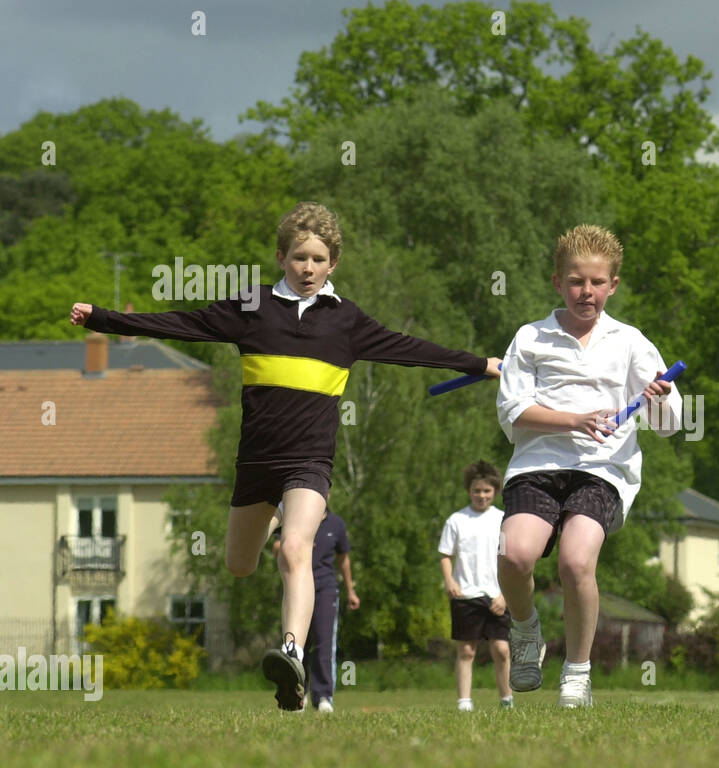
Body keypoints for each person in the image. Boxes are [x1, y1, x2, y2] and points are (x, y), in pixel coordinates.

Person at [71, 201, 500, 711]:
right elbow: (181, 324)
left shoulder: (347, 322)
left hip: (309, 465)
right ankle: (273, 524)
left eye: (319, 259)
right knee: (238, 564)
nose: (308, 269)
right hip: (256, 465)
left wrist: (481, 363)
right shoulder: (251, 308)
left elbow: (410, 348)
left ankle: (292, 653)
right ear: (281, 256)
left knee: (297, 549)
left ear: (333, 264)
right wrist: (104, 317)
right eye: (299, 258)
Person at [495, 225, 682, 708]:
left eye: (598, 283)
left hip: (603, 469)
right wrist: (574, 420)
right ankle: (525, 631)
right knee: (516, 556)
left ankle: (577, 673)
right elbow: (513, 412)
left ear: (613, 285)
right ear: (558, 282)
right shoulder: (531, 337)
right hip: (537, 464)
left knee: (576, 560)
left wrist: (659, 399)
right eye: (577, 282)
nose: (587, 292)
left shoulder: (631, 342)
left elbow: (668, 425)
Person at [439, 460, 512, 711]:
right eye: (477, 490)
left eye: (486, 491)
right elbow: (445, 555)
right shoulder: (456, 520)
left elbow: (509, 561)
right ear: (469, 491)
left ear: (495, 492)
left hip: (496, 595)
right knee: (467, 651)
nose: (481, 495)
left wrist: (505, 595)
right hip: (465, 595)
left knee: (502, 649)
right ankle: (464, 702)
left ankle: (506, 699)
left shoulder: (503, 520)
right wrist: (449, 581)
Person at [272, 499, 358, 712]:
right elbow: (276, 546)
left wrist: (351, 590)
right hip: (299, 589)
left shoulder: (336, 524)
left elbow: (344, 559)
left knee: (324, 643)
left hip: (326, 589)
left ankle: (324, 697)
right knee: (298, 643)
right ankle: (298, 694)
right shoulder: (294, 521)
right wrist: (291, 548)